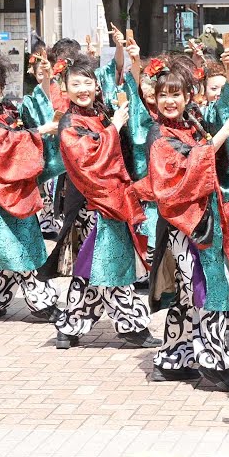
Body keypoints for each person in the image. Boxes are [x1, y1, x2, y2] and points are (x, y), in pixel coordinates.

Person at [145, 57, 229, 390]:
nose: (170, 101)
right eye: (163, 95)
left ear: (189, 95)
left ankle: (173, 358)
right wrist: (221, 136)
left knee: (189, 295)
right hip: (184, 226)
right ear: (154, 98)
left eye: (176, 94)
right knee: (208, 289)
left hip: (200, 221)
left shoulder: (191, 123)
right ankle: (212, 360)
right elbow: (187, 170)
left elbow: (214, 144)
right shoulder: (159, 137)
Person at [54, 56, 161, 349]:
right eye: (75, 83)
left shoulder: (98, 114)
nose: (83, 88)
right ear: (65, 88)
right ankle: (133, 326)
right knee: (111, 266)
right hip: (93, 206)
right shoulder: (70, 122)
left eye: (88, 82)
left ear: (97, 85)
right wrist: (113, 128)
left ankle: (70, 325)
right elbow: (87, 160)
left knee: (91, 270)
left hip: (110, 202)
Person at [0, 55, 62, 322]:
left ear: (2, 91)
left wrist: (45, 80)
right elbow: (3, 144)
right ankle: (41, 301)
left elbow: (18, 132)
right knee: (23, 245)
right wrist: (41, 131)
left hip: (11, 187)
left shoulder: (5, 111)